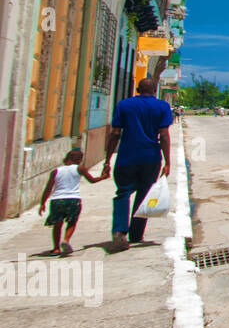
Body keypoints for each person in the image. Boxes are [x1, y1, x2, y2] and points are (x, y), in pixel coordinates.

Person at [100, 77, 173, 250]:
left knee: (123, 193)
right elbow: (164, 135)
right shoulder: (162, 107)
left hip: (126, 157)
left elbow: (115, 133)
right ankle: (136, 234)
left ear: (137, 89)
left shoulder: (124, 105)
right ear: (155, 90)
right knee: (144, 195)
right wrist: (167, 160)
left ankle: (119, 231)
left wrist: (107, 159)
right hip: (151, 157)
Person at [38, 149, 104, 256]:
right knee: (72, 222)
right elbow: (92, 180)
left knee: (57, 225)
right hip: (73, 199)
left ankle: (56, 248)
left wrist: (42, 203)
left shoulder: (56, 171)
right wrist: (103, 177)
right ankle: (66, 240)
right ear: (79, 160)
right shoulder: (79, 168)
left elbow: (48, 188)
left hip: (57, 200)